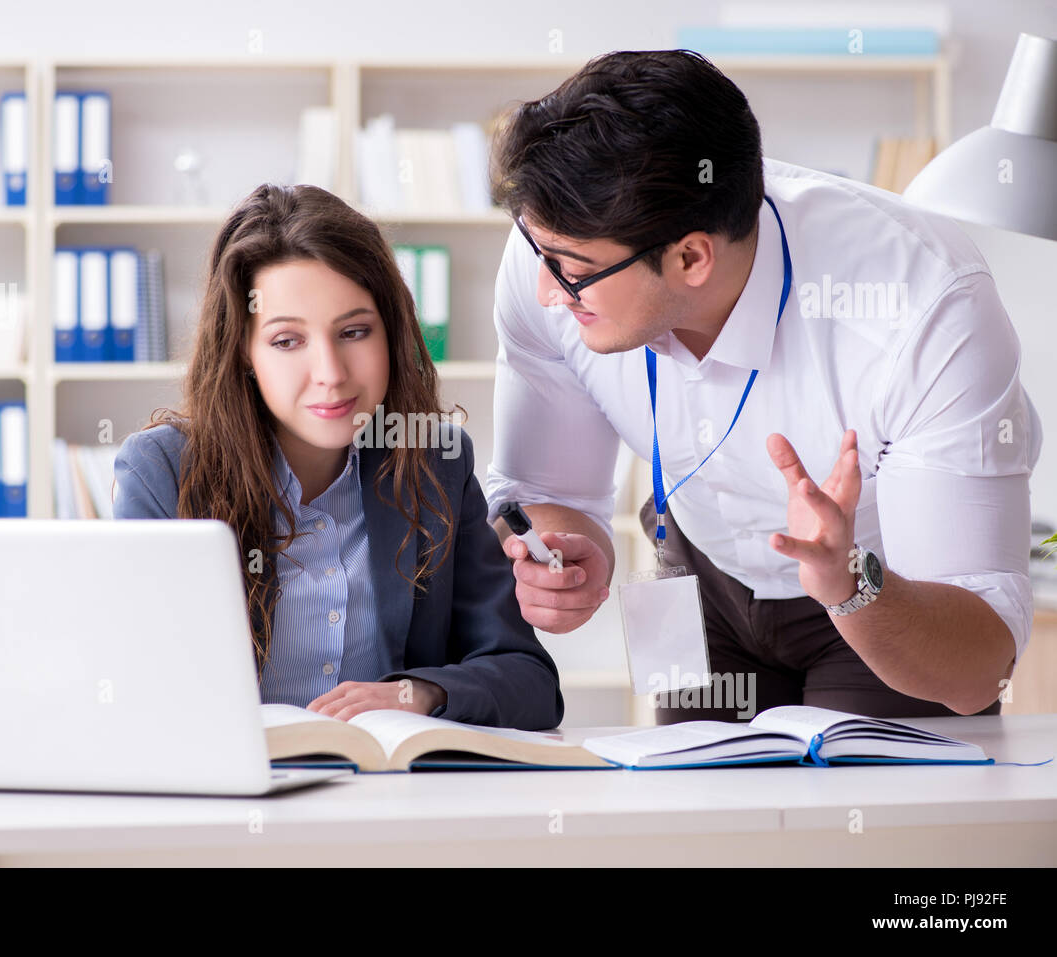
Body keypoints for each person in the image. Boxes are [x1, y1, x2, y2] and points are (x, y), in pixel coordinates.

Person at [485, 50, 1042, 722]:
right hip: (701, 570)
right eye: (538, 254)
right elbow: (552, 495)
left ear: (691, 257)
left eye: (570, 271)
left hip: (881, 584)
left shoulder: (922, 306)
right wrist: (570, 558)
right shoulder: (555, 247)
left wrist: (849, 585)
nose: (546, 291)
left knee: (864, 818)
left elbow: (978, 668)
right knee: (706, 821)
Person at [112, 182, 563, 730]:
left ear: (390, 335)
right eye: (286, 341)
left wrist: (414, 694)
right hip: (236, 798)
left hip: (391, 797)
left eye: (354, 332)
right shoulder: (163, 472)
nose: (330, 373)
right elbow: (140, 690)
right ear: (244, 353)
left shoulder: (434, 463)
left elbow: (528, 681)